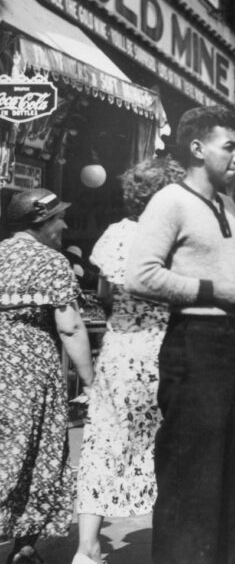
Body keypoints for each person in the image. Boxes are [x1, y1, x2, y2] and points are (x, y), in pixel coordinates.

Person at [126, 106, 235, 564]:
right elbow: (140, 275)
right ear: (197, 148)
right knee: (191, 473)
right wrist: (213, 290)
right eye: (230, 147)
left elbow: (226, 268)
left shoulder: (228, 205)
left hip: (234, 345)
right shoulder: (170, 201)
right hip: (194, 343)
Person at [71, 157, 183, 564]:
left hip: (119, 351)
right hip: (163, 350)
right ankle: (173, 545)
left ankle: (87, 547)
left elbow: (104, 293)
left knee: (104, 440)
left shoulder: (115, 233)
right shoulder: (173, 241)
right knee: (170, 442)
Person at [0, 189, 94, 564]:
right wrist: (90, 382)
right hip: (31, 375)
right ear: (41, 223)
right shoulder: (52, 263)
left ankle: (22, 547)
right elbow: (70, 327)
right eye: (59, 218)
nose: (65, 226)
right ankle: (23, 544)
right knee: (37, 452)